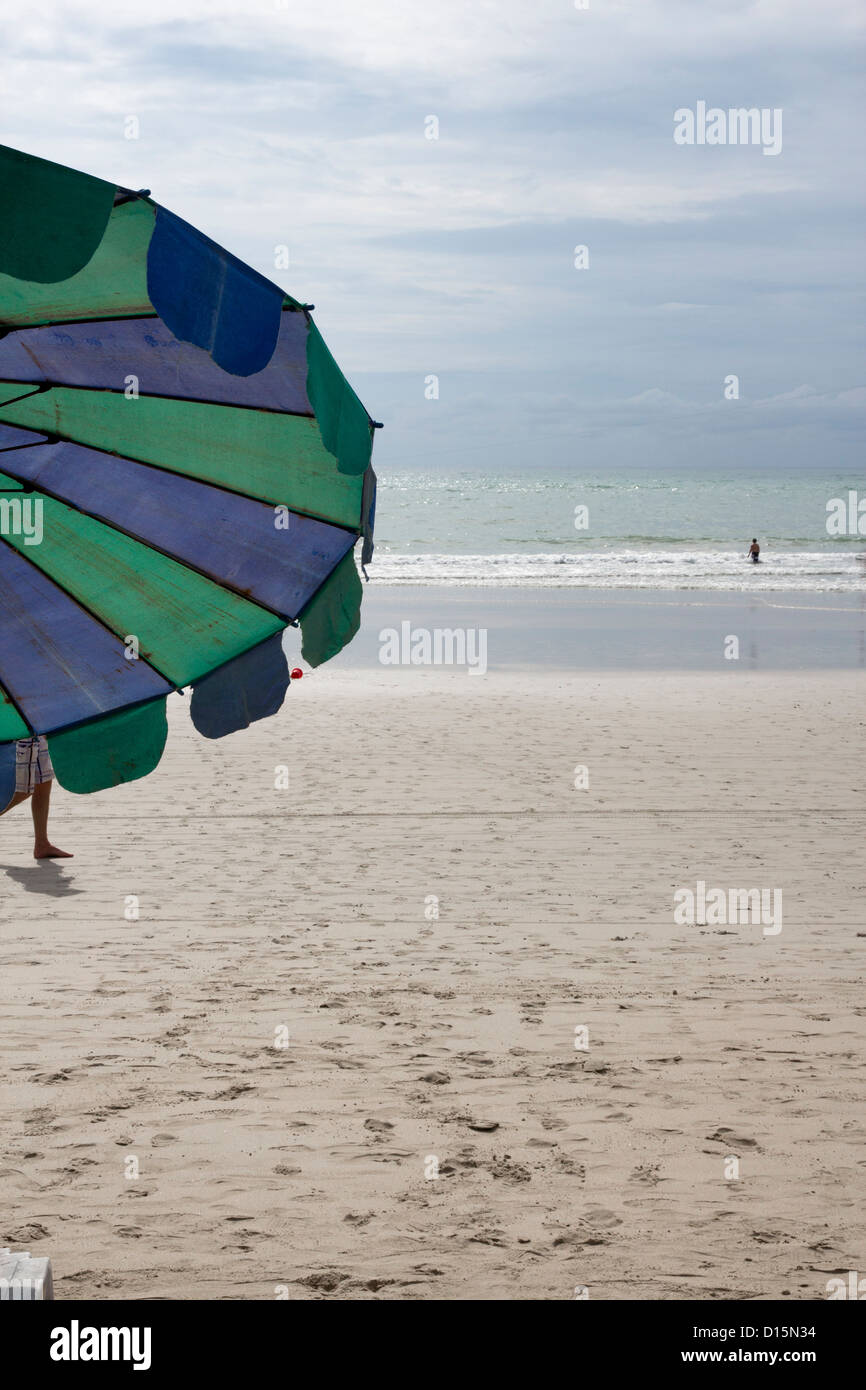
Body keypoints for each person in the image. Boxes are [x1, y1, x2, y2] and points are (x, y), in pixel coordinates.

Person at [0, 735, 73, 858]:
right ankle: (41, 844)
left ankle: (42, 844)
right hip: (24, 734)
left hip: (38, 733)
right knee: (23, 791)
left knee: (43, 783)